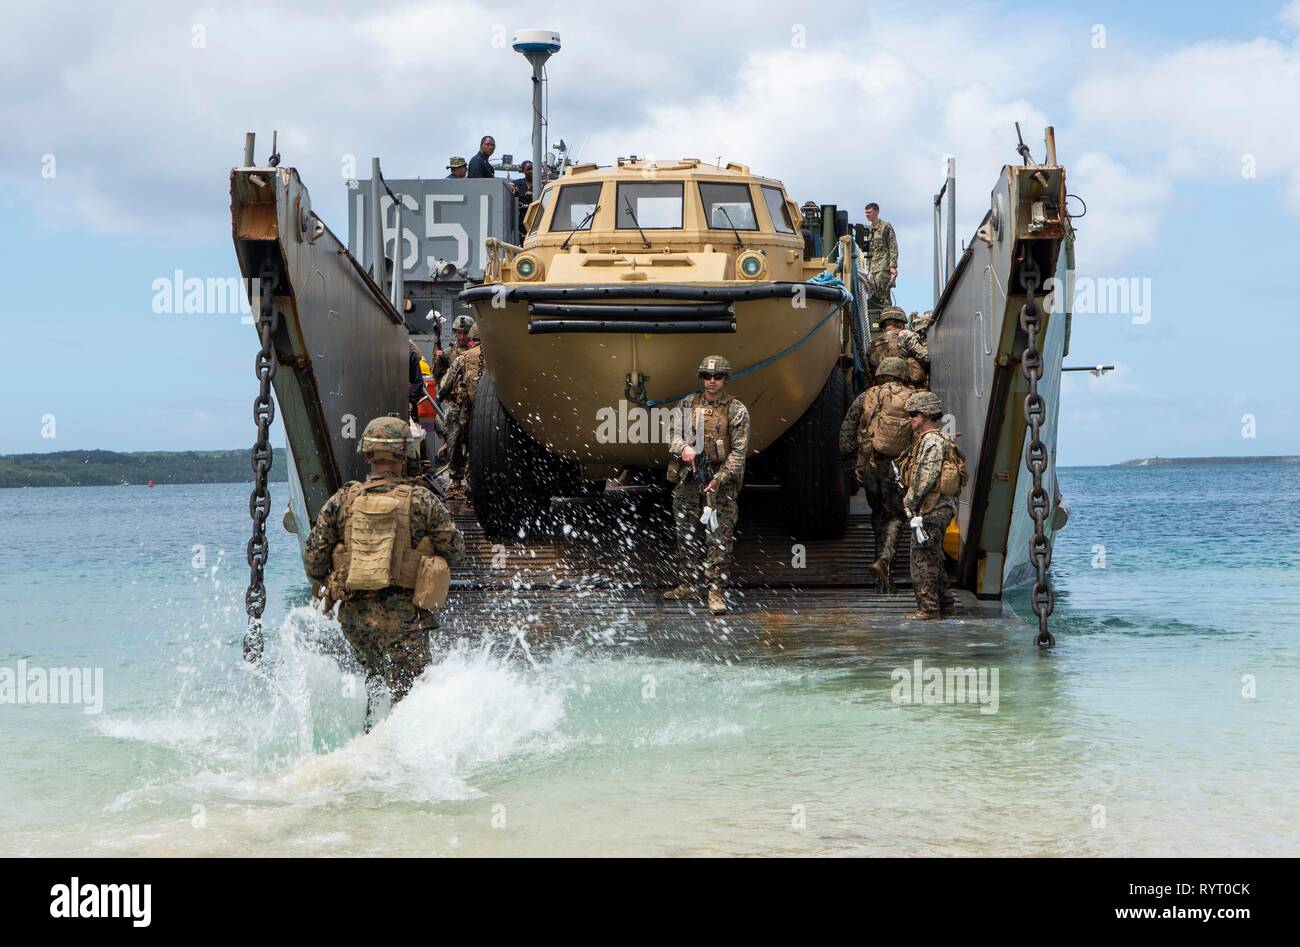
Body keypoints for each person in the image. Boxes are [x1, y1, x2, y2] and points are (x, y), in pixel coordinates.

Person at [304, 417, 465, 715]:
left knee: (374, 691)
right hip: (404, 623)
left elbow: (313, 561)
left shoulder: (342, 500)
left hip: (356, 623)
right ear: (405, 454)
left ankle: (367, 740)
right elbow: (455, 553)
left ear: (367, 453)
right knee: (410, 705)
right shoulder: (423, 501)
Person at [665, 355, 751, 615]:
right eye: (707, 377)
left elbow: (739, 452)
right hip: (689, 477)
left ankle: (715, 590)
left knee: (719, 538)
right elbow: (672, 435)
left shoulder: (736, 410)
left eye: (717, 377)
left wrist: (719, 478)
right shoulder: (687, 405)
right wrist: (684, 449)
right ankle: (688, 583)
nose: (712, 382)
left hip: (719, 480)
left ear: (726, 379)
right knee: (685, 531)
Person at [839, 357, 916, 593]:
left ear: (881, 373)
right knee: (897, 516)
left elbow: (846, 434)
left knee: (878, 515)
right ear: (903, 374)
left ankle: (880, 574)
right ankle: (885, 561)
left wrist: (852, 466)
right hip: (900, 469)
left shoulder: (866, 397)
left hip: (870, 467)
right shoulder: (914, 398)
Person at [897, 391, 961, 620]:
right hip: (937, 508)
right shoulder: (933, 440)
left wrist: (909, 500)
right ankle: (946, 605)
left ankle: (928, 610)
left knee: (921, 558)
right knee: (933, 557)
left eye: (913, 414)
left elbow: (927, 475)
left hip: (933, 510)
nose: (910, 419)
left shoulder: (932, 441)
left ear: (924, 415)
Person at [436, 321, 483, 497]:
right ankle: (474, 481)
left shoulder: (463, 357)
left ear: (471, 336)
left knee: (454, 442)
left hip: (460, 405)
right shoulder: (495, 356)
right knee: (478, 444)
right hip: (484, 409)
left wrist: (442, 394)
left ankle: (456, 482)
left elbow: (445, 383)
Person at [867, 307, 925, 387]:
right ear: (900, 322)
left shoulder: (873, 344)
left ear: (884, 324)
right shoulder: (905, 334)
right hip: (908, 389)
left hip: (881, 390)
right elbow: (925, 358)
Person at [864, 202, 898, 329]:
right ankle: (874, 326)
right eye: (866, 213)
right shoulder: (869, 230)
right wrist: (867, 270)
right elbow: (869, 252)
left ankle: (889, 325)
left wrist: (893, 265)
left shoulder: (885, 227)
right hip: (872, 270)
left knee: (884, 299)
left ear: (876, 211)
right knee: (872, 298)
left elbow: (893, 246)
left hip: (883, 267)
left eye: (869, 212)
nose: (867, 215)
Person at [897, 311, 932, 386]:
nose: (923, 335)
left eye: (925, 331)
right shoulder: (906, 337)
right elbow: (925, 358)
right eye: (920, 332)